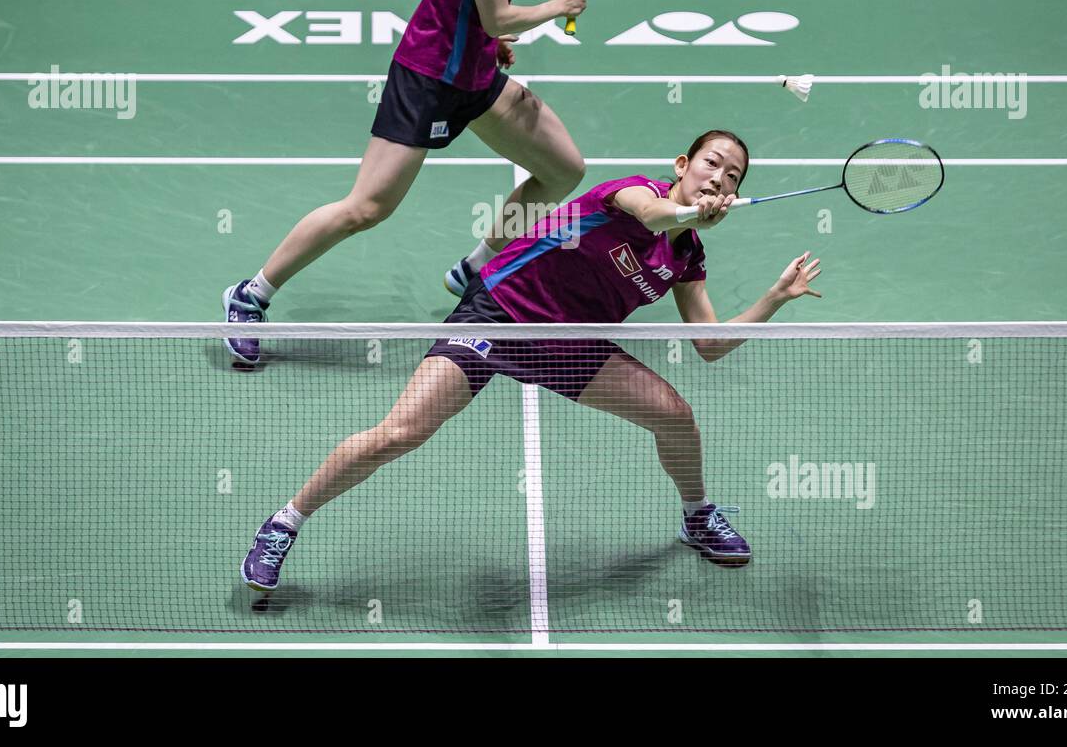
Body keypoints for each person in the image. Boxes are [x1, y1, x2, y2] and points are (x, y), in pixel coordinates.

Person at [241, 130, 824, 591]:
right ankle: (284, 523)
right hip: (499, 314)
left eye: (733, 174)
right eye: (712, 163)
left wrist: (775, 297)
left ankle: (697, 515)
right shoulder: (629, 196)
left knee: (674, 414)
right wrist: (690, 214)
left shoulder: (688, 256)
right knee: (402, 431)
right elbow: (652, 216)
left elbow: (711, 343)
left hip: (570, 344)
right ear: (682, 165)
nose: (719, 177)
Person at [222, 0, 588, 363]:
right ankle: (249, 296)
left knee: (562, 168)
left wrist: (492, 44)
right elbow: (495, 15)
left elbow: (473, 10)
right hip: (428, 80)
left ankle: (474, 268)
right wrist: (554, 7)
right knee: (366, 208)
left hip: (475, 74)